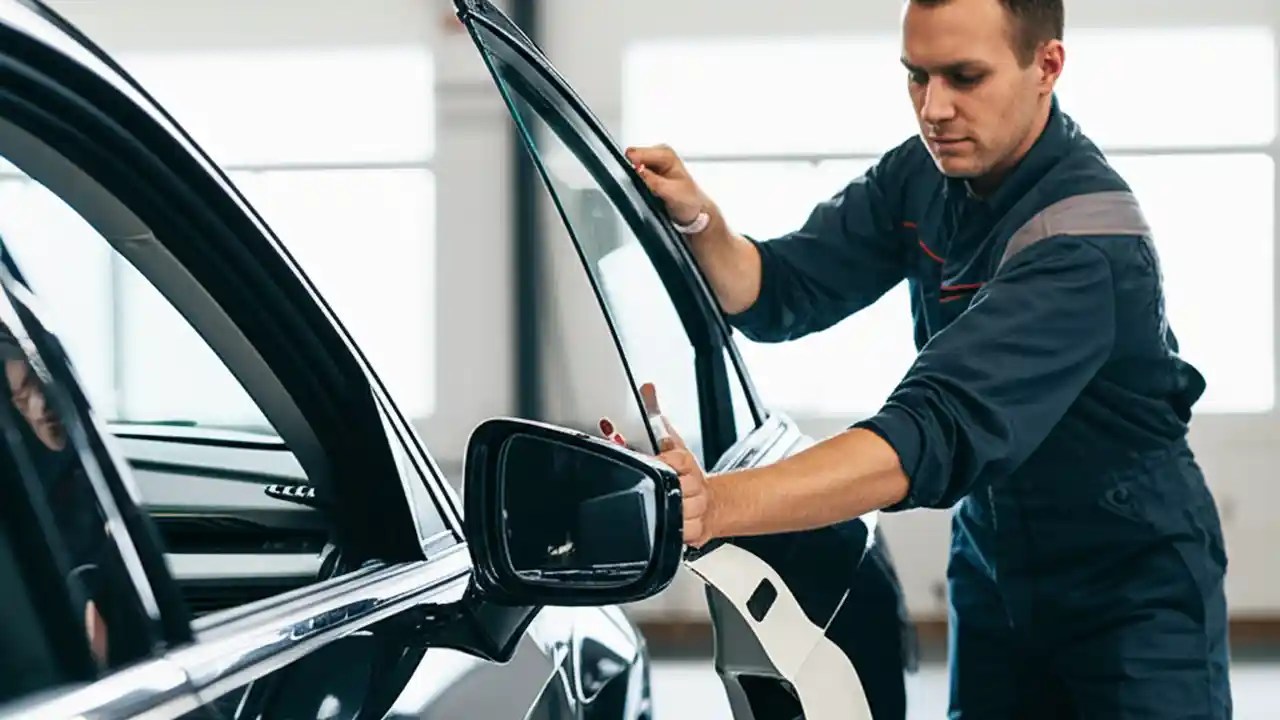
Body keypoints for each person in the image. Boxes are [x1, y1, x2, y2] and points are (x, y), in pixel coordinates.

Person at [625, 0, 1232, 717]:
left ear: (1048, 66)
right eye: (917, 77)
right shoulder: (924, 175)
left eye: (964, 77)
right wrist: (702, 221)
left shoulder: (1085, 241)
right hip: (996, 564)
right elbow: (782, 289)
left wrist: (714, 506)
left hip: (1130, 584)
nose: (933, 108)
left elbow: (927, 434)